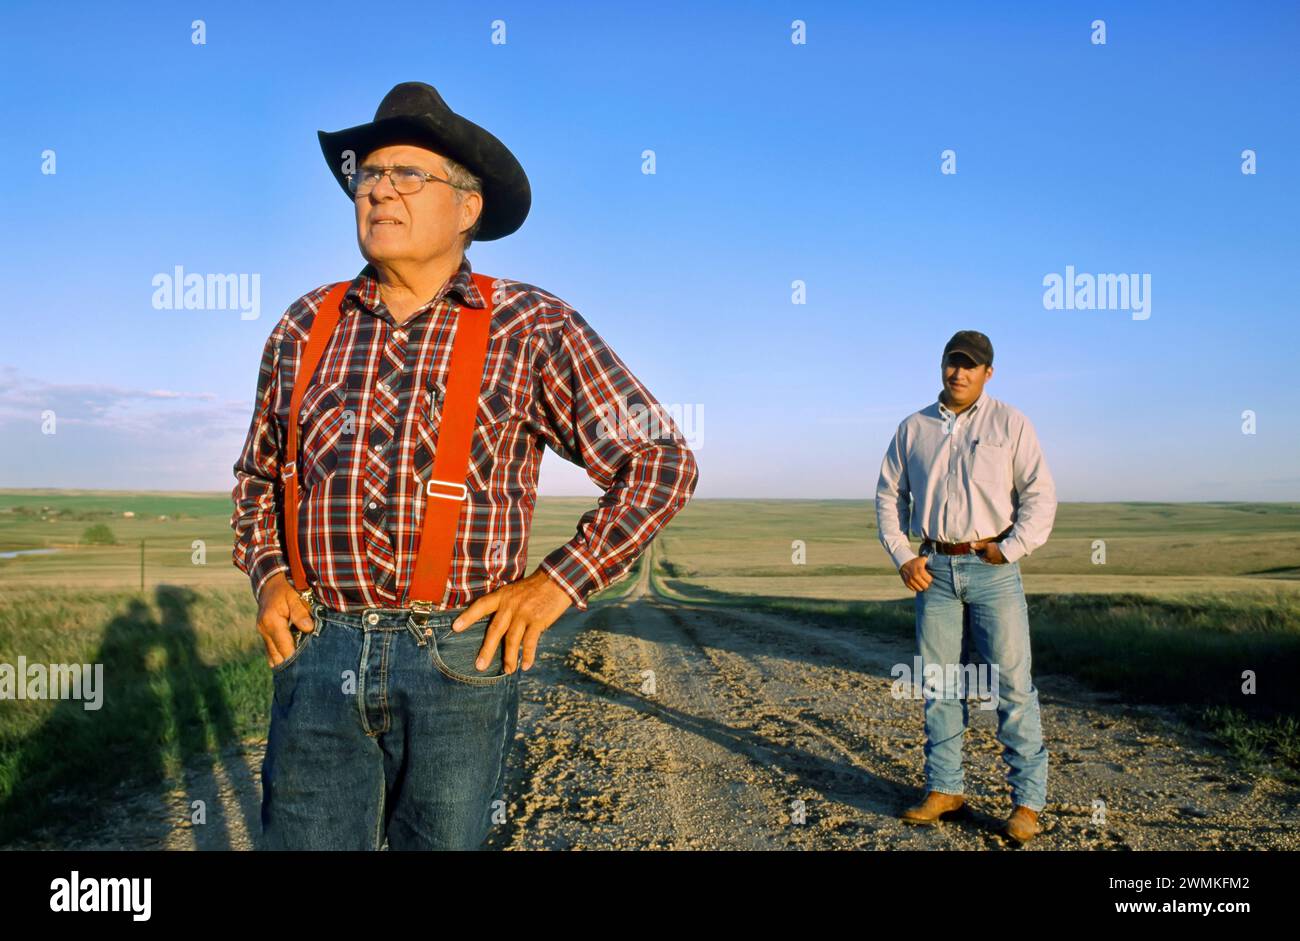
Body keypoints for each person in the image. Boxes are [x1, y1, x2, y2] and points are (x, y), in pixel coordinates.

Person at [230, 81, 699, 850]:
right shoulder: (304, 324)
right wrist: (270, 576)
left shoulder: (530, 324)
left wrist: (557, 584)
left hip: (455, 657)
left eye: (407, 174)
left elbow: (661, 460)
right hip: (319, 654)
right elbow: (257, 474)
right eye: (368, 174)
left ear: (467, 207)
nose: (379, 189)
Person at [874, 330, 1056, 844]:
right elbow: (888, 497)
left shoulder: (1010, 423)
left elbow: (1040, 495)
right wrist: (905, 556)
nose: (959, 373)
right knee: (938, 685)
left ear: (988, 373)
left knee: (1013, 686)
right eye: (952, 363)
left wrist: (1011, 548)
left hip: (992, 567)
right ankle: (945, 789)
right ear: (942, 366)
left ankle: (1026, 804)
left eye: (970, 366)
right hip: (932, 568)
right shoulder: (914, 428)